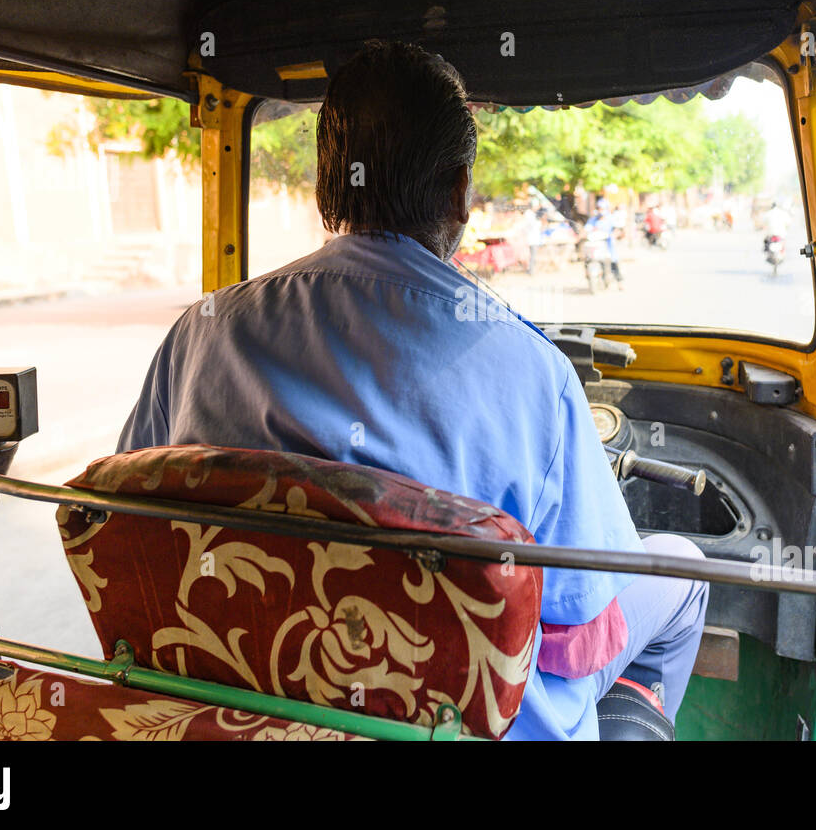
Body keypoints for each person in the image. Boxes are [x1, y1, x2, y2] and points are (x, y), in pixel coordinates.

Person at [117, 40, 707, 741]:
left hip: (239, 705)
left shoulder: (202, 333)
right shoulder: (529, 370)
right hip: (466, 723)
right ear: (459, 190)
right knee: (688, 571)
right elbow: (577, 635)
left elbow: (125, 523)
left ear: (325, 185)